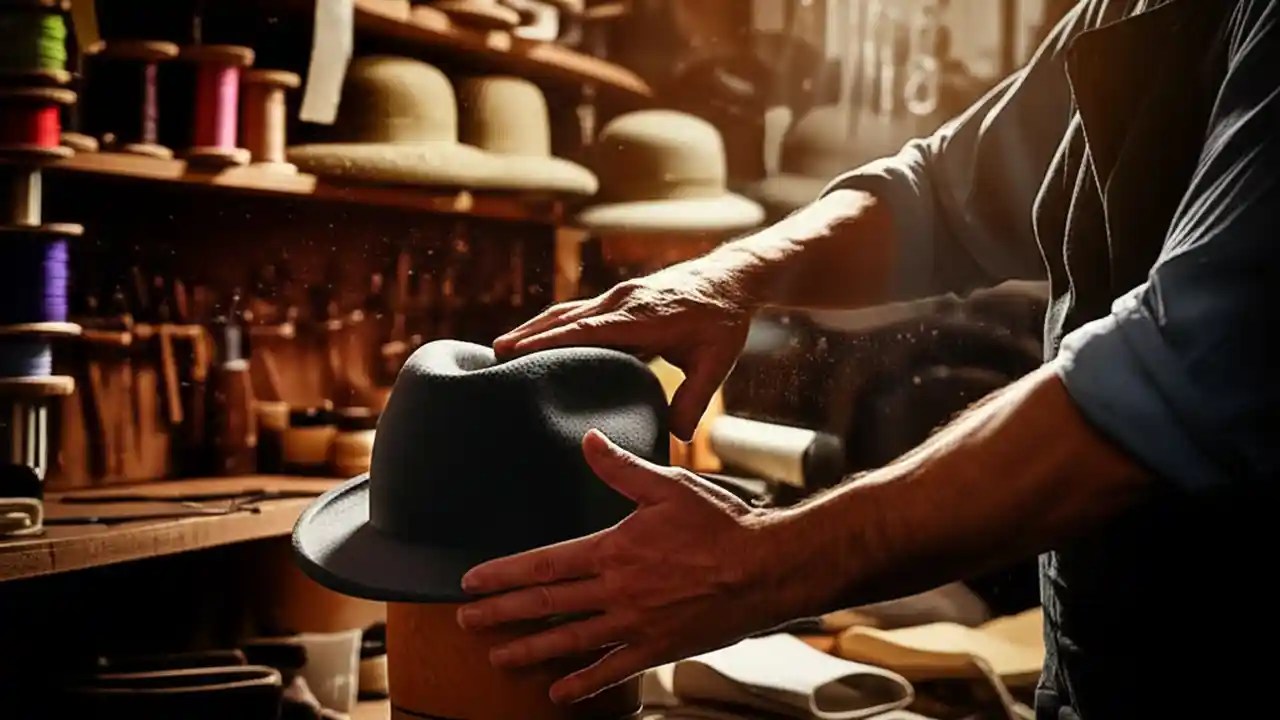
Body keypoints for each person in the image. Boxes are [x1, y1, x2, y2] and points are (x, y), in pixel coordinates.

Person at [454, 1, 1277, 716]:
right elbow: (940, 196)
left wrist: (760, 566)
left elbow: (1170, 387)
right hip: (1094, 667)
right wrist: (726, 276)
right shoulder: (1130, 10)